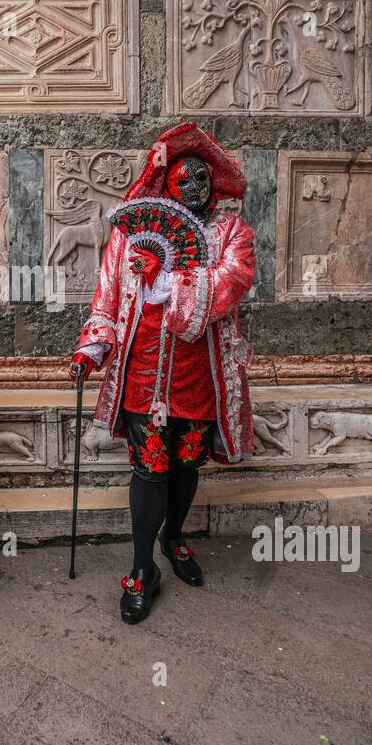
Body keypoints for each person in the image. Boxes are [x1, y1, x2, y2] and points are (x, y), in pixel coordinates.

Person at [69, 121, 256, 624]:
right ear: (166, 185)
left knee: (186, 464)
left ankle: (174, 538)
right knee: (149, 467)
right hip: (142, 375)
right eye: (184, 180)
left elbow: (234, 279)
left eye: (202, 179)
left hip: (198, 375)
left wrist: (174, 280)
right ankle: (141, 568)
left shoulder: (231, 233)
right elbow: (108, 296)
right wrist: (92, 347)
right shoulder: (131, 234)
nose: (196, 188)